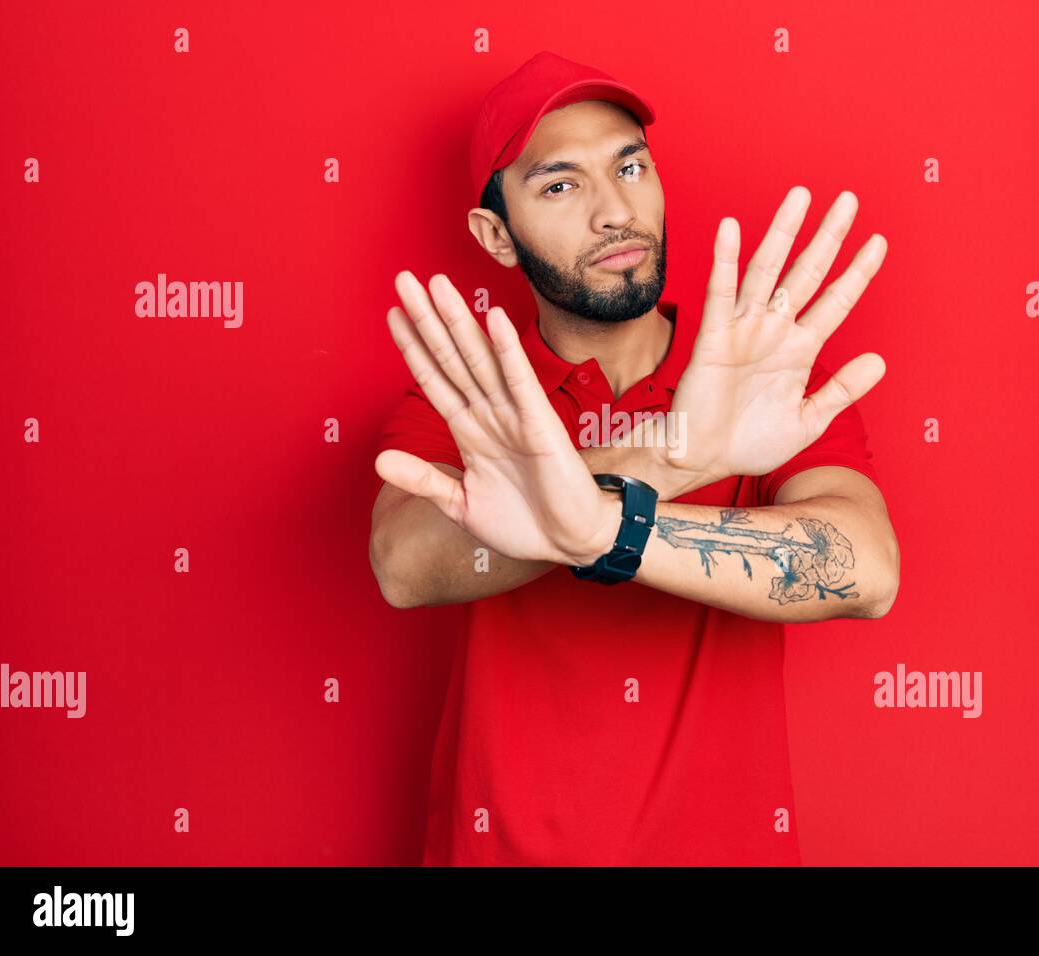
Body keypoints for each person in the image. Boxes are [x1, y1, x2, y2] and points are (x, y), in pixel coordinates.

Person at [370, 51, 899, 865]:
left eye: (630, 167)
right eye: (560, 185)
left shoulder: (764, 382)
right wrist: (673, 459)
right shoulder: (470, 400)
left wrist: (601, 523)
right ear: (496, 236)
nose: (615, 211)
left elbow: (863, 569)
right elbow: (406, 565)